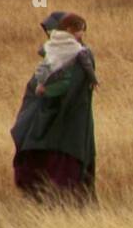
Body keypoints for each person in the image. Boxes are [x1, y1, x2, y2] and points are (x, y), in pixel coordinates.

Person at [10, 12, 97, 202]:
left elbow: (71, 89)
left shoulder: (81, 56)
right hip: (44, 129)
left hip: (68, 130)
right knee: (38, 174)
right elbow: (34, 91)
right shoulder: (51, 57)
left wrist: (47, 92)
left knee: (66, 181)